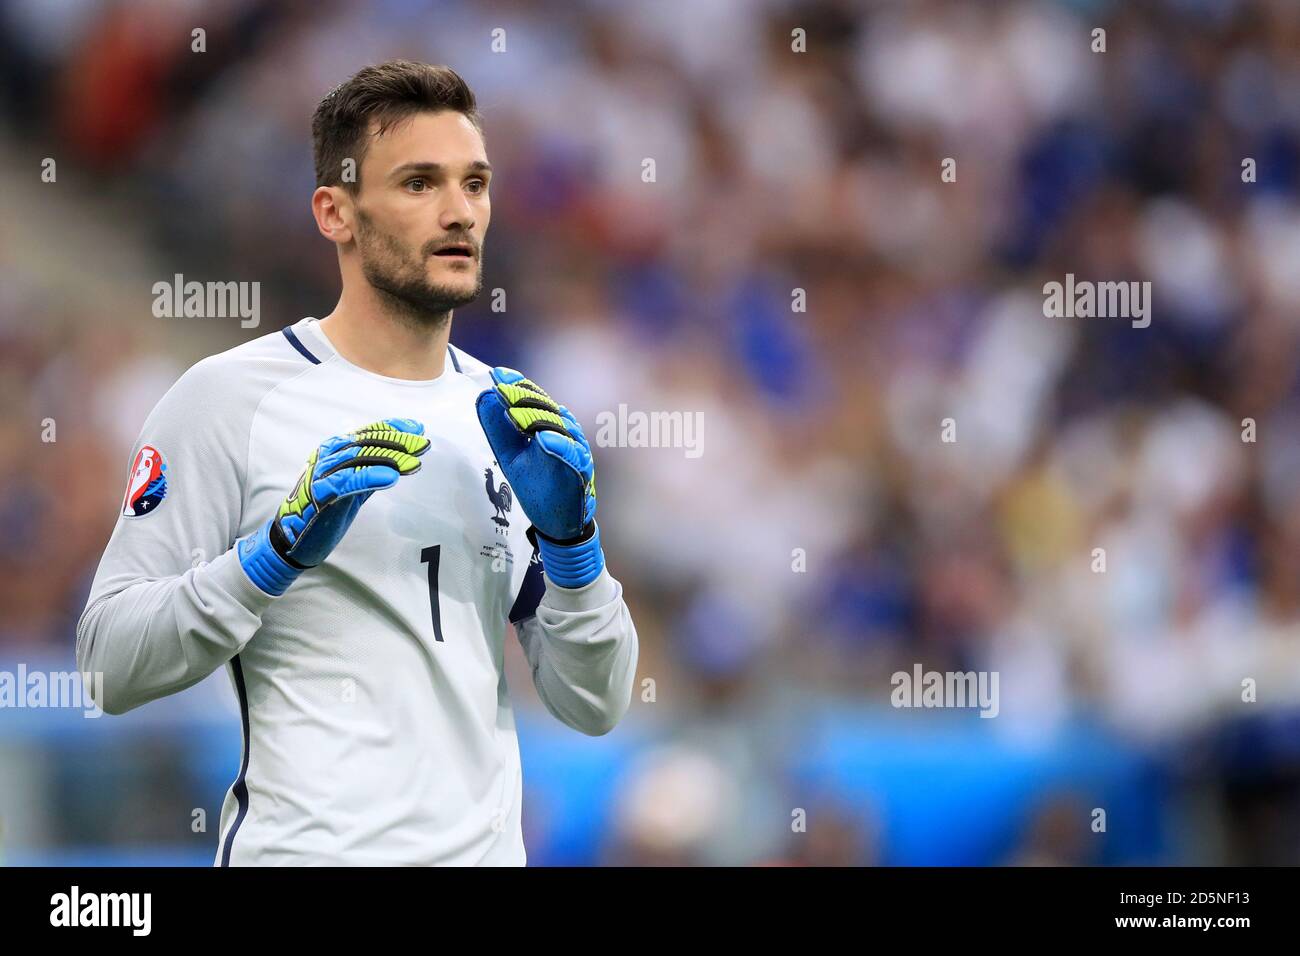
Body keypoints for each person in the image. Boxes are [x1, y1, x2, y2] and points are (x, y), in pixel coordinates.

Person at [76, 60, 639, 866]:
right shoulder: (231, 400)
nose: (459, 212)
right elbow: (107, 666)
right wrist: (268, 561)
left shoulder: (513, 420)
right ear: (335, 212)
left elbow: (595, 704)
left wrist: (578, 557)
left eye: (474, 183)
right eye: (419, 183)